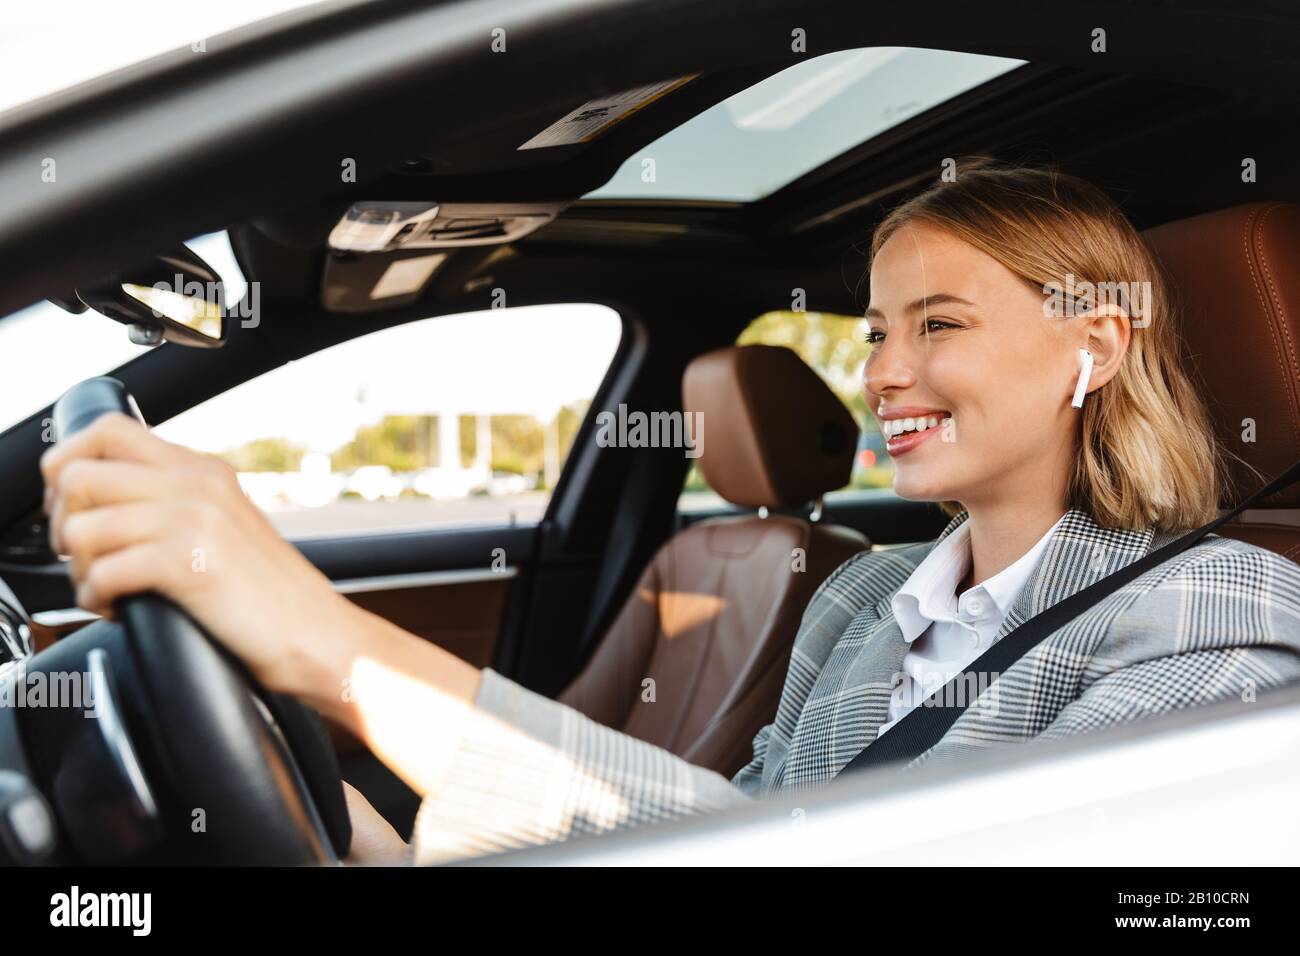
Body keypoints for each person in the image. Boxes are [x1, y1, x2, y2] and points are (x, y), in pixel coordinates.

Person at [41, 161, 1300, 864]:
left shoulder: (1225, 628)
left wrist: (331, 645)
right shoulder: (863, 595)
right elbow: (750, 831)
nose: (882, 372)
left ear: (1093, 347)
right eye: (875, 331)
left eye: (940, 324)